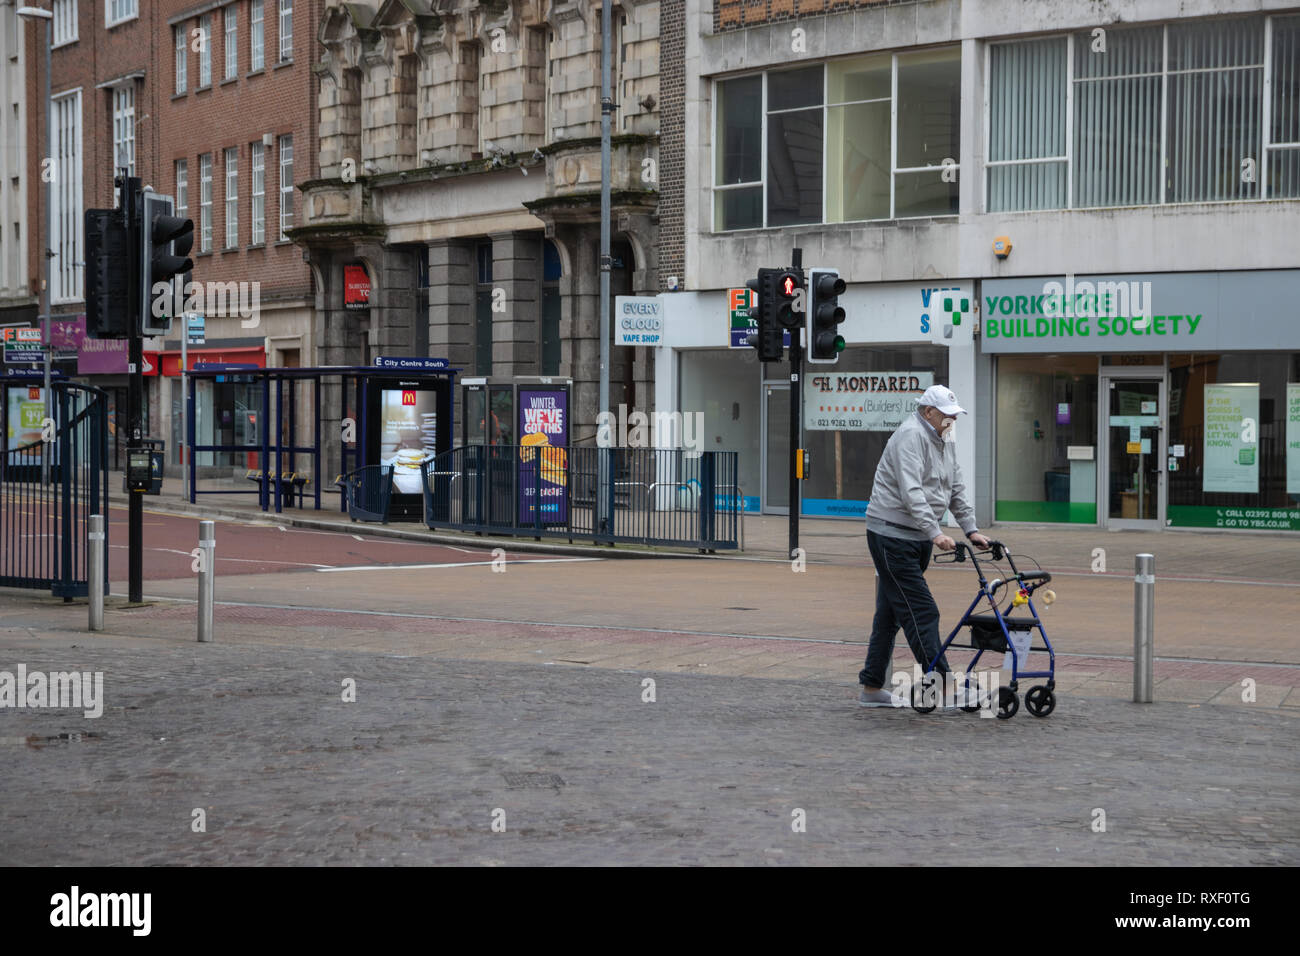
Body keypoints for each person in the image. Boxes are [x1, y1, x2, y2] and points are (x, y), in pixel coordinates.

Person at [857, 385, 990, 708]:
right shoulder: (910, 436)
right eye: (946, 415)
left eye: (954, 416)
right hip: (891, 535)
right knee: (922, 610)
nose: (951, 421)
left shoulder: (944, 439)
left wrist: (970, 529)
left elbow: (955, 485)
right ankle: (943, 687)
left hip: (916, 538)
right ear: (928, 412)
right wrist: (935, 532)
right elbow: (911, 491)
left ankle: (872, 688)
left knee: (890, 614)